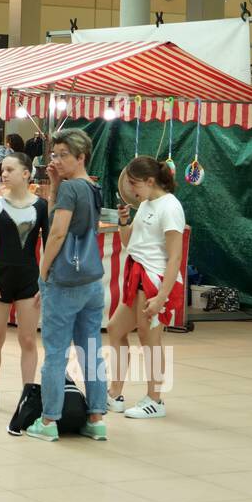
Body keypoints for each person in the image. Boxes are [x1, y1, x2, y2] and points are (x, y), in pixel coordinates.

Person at [28, 129, 108, 442]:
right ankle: (97, 418)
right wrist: (55, 188)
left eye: (64, 155)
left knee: (56, 353)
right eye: (54, 154)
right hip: (92, 280)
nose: (56, 160)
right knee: (91, 351)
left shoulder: (71, 189)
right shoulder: (92, 187)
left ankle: (49, 422)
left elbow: (57, 232)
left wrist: (43, 271)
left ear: (81, 157)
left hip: (64, 281)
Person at [105, 155, 186, 420]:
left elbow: (175, 257)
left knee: (149, 340)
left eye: (133, 183)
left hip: (155, 281)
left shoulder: (170, 207)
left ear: (150, 181)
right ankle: (115, 393)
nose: (130, 189)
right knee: (116, 329)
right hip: (136, 277)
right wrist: (124, 222)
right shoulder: (146, 204)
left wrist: (161, 296)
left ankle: (155, 399)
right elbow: (131, 242)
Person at [0, 151, 49, 416]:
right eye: (2, 170)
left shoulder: (41, 206)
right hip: (0, 278)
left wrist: (44, 281)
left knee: (28, 339)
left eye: (9, 170)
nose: (3, 174)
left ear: (26, 173)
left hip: (30, 279)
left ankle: (27, 395)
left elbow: (50, 247)